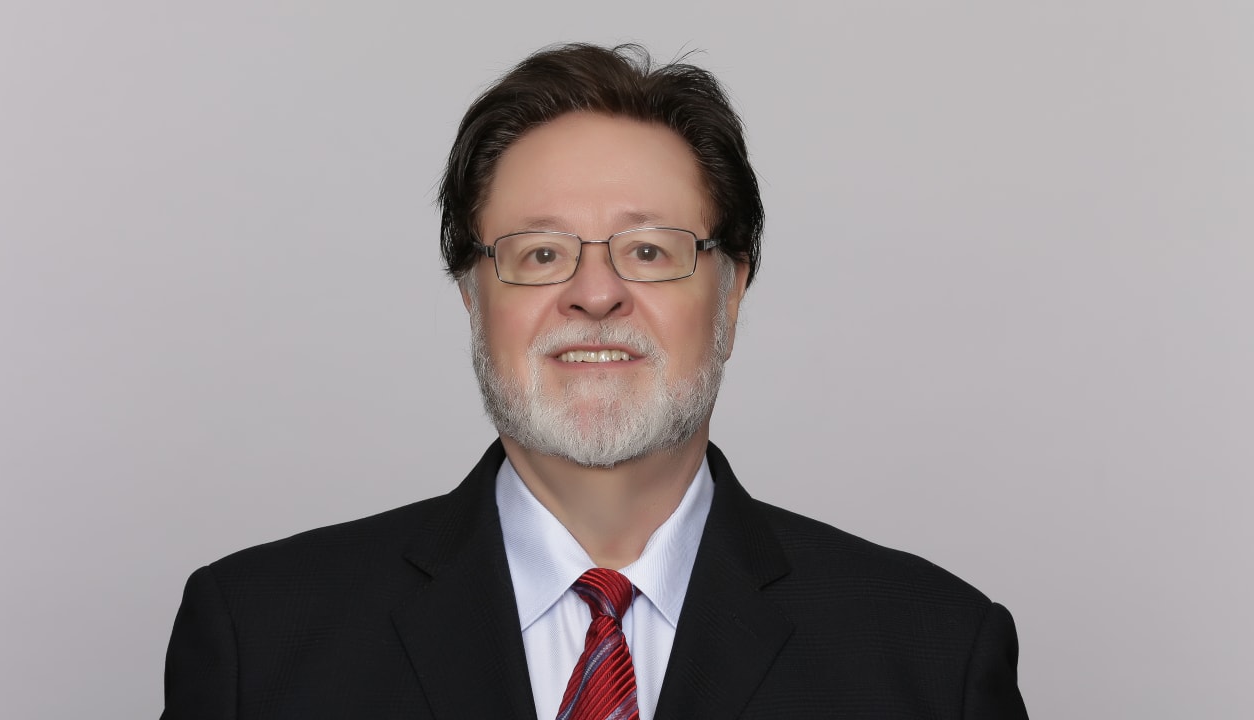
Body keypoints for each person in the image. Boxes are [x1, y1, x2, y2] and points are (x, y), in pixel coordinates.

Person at [161, 43, 1028, 719]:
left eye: (649, 250)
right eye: (540, 254)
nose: (596, 293)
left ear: (731, 293)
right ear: (473, 298)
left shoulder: (932, 655)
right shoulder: (259, 640)